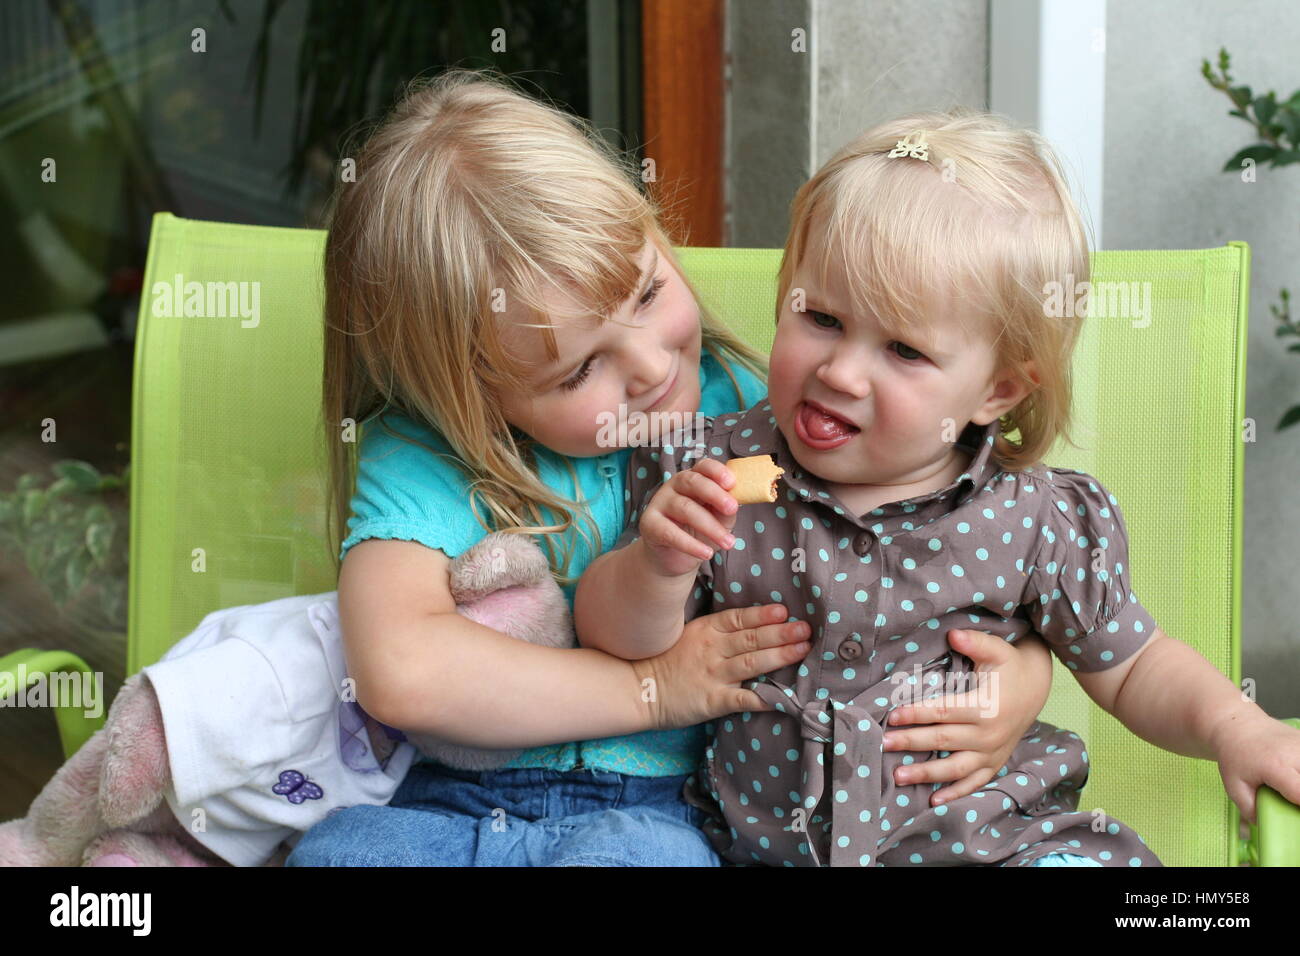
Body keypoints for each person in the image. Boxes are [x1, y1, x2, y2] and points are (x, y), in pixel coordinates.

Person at [286, 73, 1058, 866]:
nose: (653, 366)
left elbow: (927, 559)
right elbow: (402, 672)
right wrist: (651, 691)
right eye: (578, 370)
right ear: (463, 394)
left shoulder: (765, 412)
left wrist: (1025, 676)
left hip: (661, 816)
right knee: (339, 855)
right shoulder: (424, 456)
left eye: (650, 291)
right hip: (448, 806)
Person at [575, 109, 1300, 867]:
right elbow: (614, 640)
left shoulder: (1036, 517)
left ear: (998, 391)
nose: (841, 373)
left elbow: (1137, 666)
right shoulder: (707, 474)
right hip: (764, 850)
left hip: (991, 846)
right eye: (820, 317)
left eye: (904, 350)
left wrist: (1236, 728)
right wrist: (657, 565)